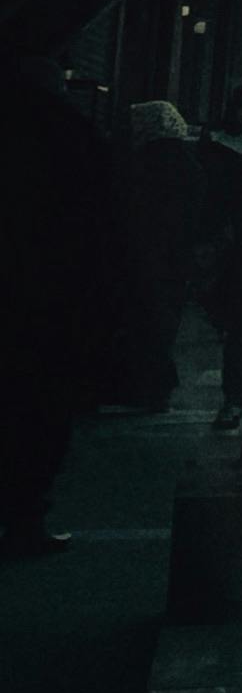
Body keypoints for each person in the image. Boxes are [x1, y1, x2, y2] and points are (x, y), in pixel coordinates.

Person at [0, 65, 162, 557]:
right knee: (38, 415)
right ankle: (25, 518)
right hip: (50, 303)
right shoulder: (66, 136)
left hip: (31, 295)